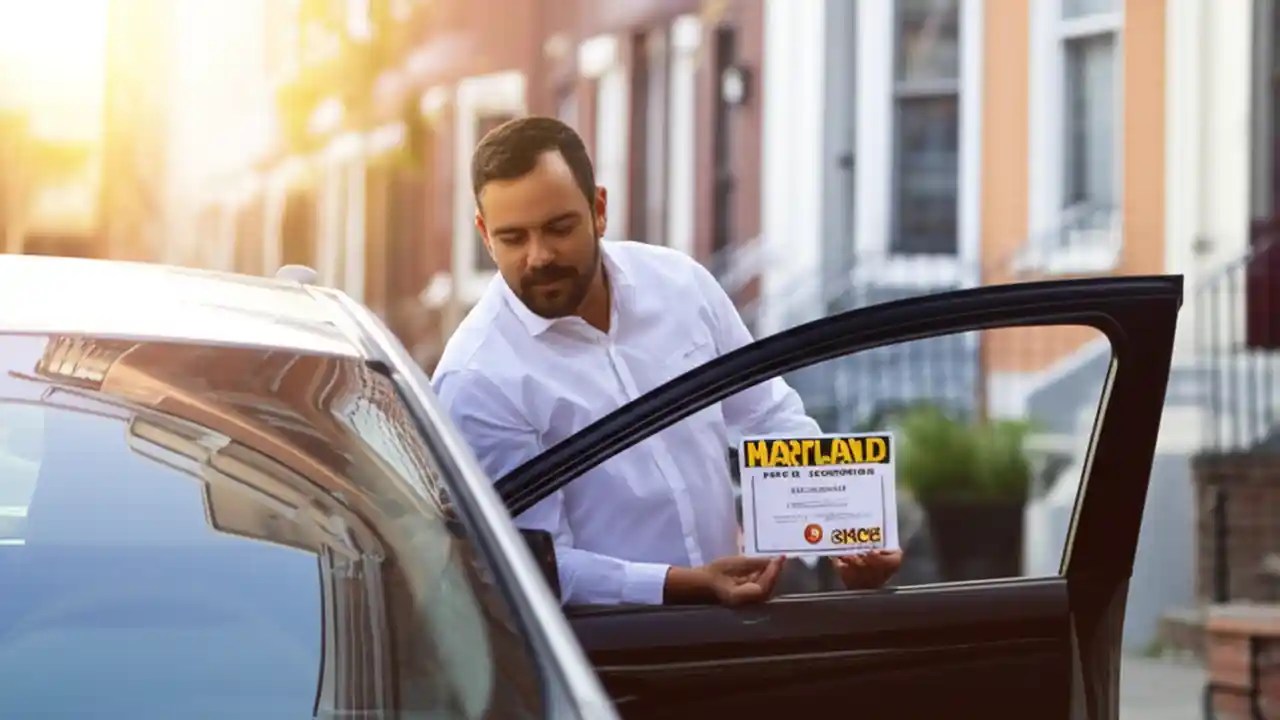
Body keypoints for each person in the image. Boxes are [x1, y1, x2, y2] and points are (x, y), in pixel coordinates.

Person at [431, 116, 902, 607]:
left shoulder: (680, 284)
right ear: (485, 235)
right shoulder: (477, 378)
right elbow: (526, 563)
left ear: (598, 210)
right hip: (611, 658)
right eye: (513, 238)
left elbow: (765, 416)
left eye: (558, 227)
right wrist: (682, 584)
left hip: (738, 627)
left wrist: (849, 533)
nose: (539, 256)